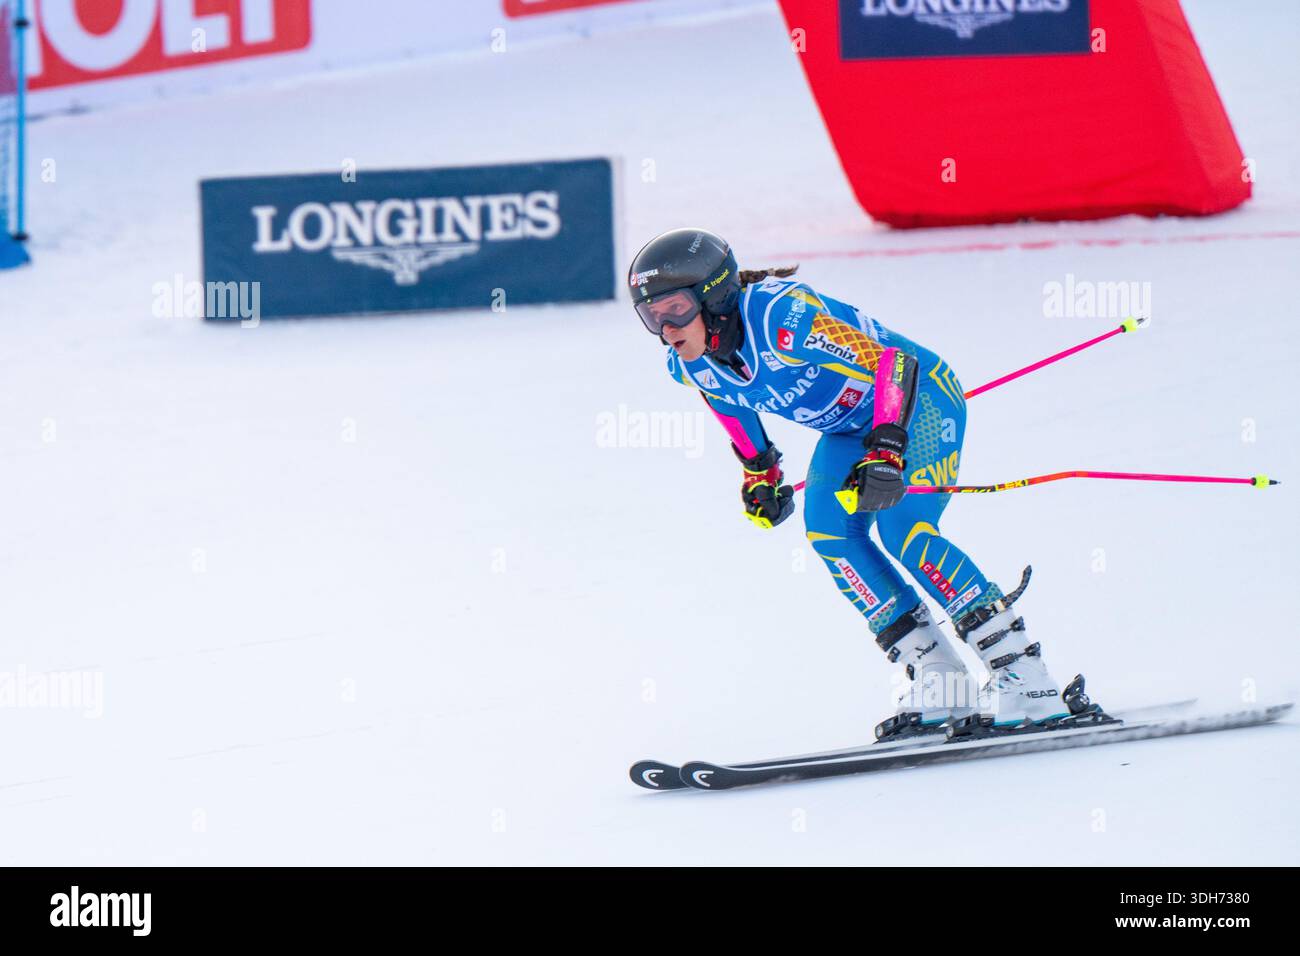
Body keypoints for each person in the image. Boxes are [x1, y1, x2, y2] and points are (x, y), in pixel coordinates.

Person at [628, 228, 1100, 739]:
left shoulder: (781, 320)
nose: (666, 327)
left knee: (905, 532)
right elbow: (726, 400)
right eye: (651, 315)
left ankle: (1024, 677)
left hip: (917, 403)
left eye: (674, 308)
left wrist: (887, 450)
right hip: (851, 428)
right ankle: (941, 677)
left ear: (714, 297)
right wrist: (759, 472)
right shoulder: (691, 365)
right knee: (829, 531)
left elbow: (894, 364)